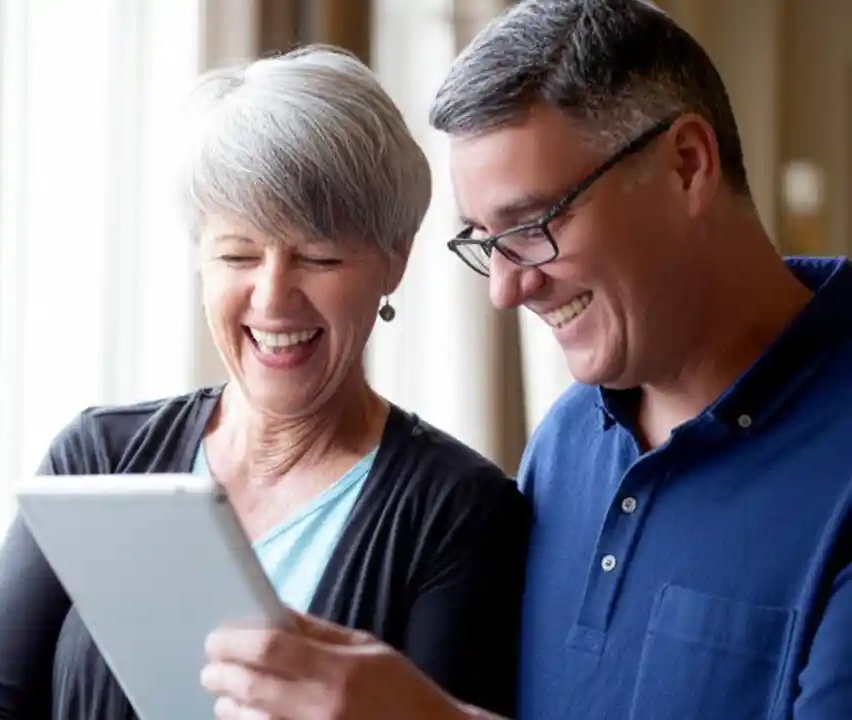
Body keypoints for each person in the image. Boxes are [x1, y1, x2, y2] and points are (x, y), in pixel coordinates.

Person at [202, 1, 852, 719]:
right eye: (484, 240)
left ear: (686, 166)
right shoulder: (567, 444)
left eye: (534, 225)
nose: (507, 289)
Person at [0, 45, 530, 720]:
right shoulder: (99, 458)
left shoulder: (458, 514)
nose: (273, 299)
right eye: (237, 254)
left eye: (318, 256)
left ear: (395, 260)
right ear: (199, 260)